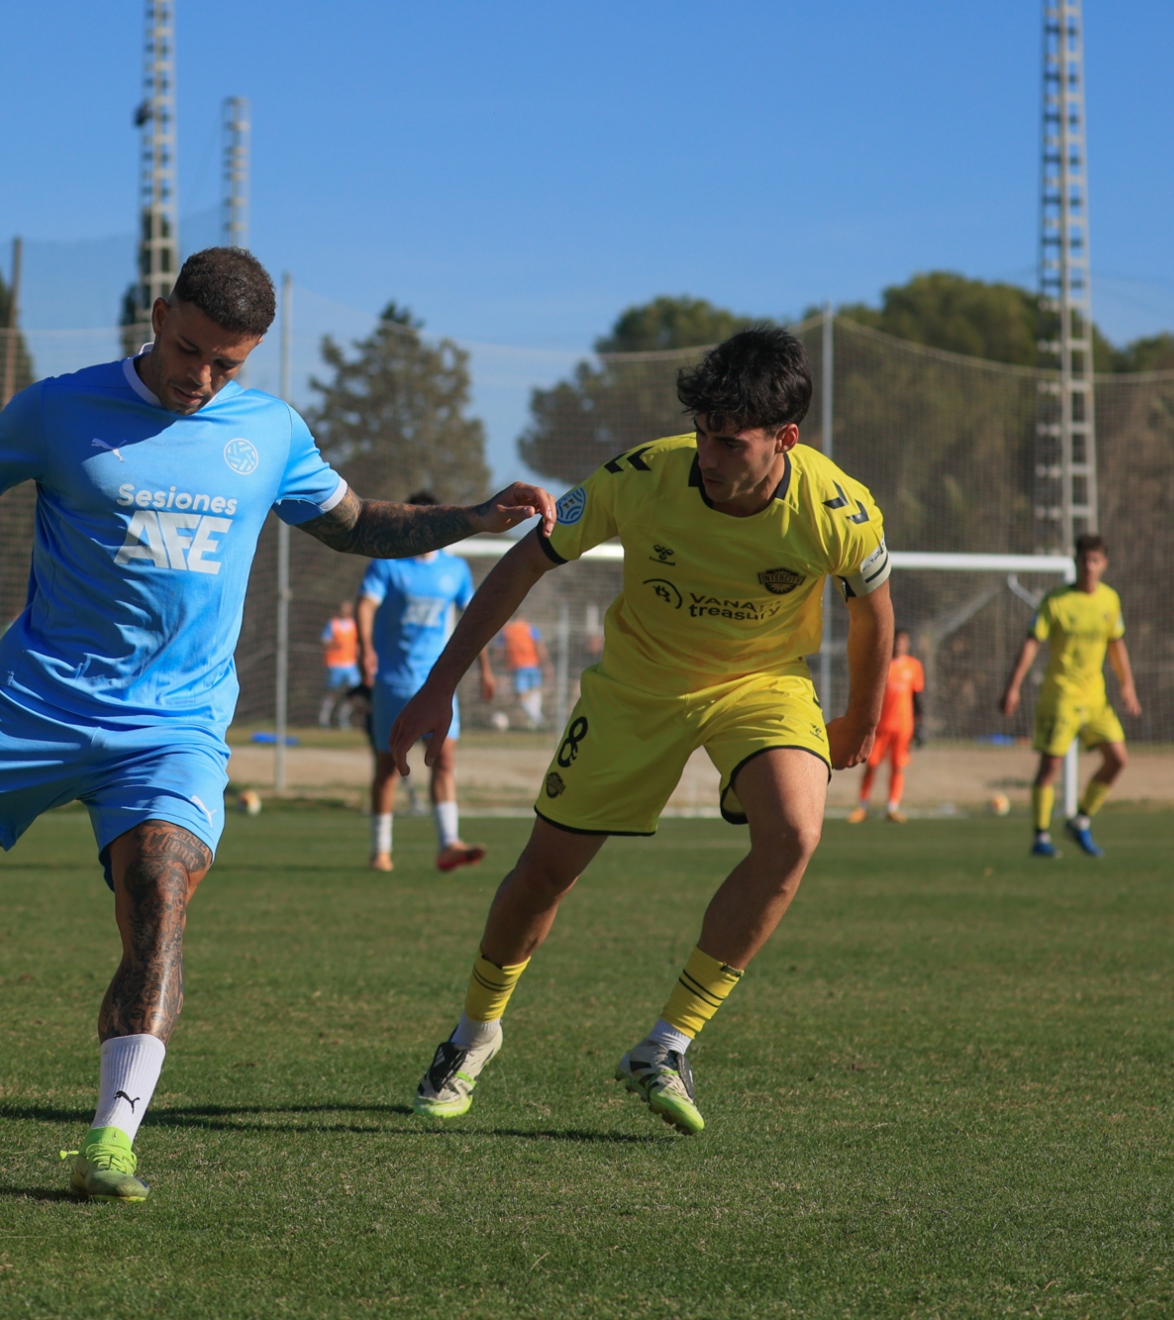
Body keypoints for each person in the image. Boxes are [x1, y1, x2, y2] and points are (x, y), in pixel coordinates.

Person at [0, 247, 552, 1202]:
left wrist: (477, 517)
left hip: (176, 727)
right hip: (38, 705)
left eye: (228, 365)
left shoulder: (270, 432)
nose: (202, 379)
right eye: (191, 350)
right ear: (158, 314)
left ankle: (110, 1142)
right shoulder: (58, 410)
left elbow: (357, 522)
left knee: (159, 891)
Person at [392, 326, 892, 1136]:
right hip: (636, 687)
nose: (708, 456)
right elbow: (526, 561)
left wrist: (861, 720)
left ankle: (668, 1043)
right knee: (545, 873)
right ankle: (474, 1033)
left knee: (795, 835)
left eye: (730, 443)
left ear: (785, 441)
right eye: (702, 434)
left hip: (762, 685)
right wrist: (438, 687)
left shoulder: (837, 509)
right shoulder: (642, 476)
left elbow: (875, 609)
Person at [359, 493, 490, 875]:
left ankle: (449, 843)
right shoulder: (388, 566)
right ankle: (380, 850)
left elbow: (473, 619)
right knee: (387, 765)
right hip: (393, 681)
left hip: (438, 684)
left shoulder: (455, 569)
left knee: (444, 759)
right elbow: (365, 605)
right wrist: (365, 649)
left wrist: (484, 668)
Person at [999, 533, 1138, 858]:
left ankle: (1081, 820)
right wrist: (1013, 686)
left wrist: (1127, 685)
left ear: (1103, 564)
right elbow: (1032, 643)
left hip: (1096, 699)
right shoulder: (1056, 601)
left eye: (1094, 561)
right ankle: (1041, 836)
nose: (1088, 567)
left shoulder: (1109, 600)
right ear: (1075, 562)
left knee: (1118, 759)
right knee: (1051, 767)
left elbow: (1116, 644)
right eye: (1083, 560)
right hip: (1060, 695)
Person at [848, 628, 922, 823]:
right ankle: (862, 806)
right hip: (880, 727)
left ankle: (892, 807)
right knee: (870, 765)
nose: (900, 644)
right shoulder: (882, 665)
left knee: (898, 767)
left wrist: (920, 726)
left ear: (907, 644)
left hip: (904, 727)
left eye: (904, 641)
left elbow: (916, 698)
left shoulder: (914, 666)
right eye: (897, 640)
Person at [484, 616, 551, 729]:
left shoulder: (506, 630)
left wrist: (498, 664)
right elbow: (539, 646)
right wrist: (546, 663)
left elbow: (498, 652)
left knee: (522, 695)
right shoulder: (529, 628)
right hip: (533, 664)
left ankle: (538, 720)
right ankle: (537, 721)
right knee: (534, 691)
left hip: (518, 666)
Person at [318, 600, 361, 728]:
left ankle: (343, 718)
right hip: (335, 663)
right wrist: (334, 645)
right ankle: (324, 719)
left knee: (354, 691)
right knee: (332, 692)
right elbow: (324, 641)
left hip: (350, 664)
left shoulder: (354, 625)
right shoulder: (333, 624)